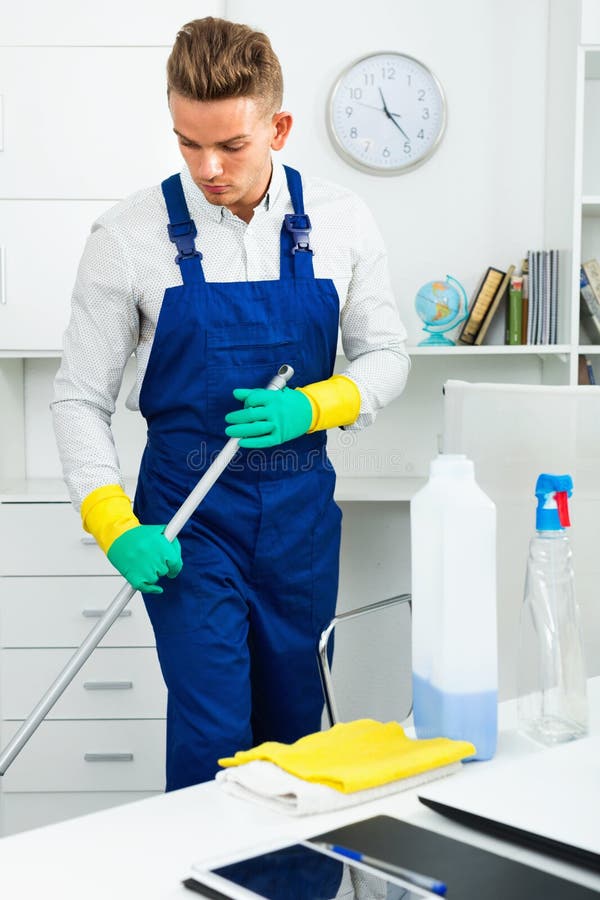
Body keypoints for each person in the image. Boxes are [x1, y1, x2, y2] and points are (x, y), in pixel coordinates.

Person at [51, 16, 410, 792]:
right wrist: (114, 522)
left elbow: (389, 354)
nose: (207, 166)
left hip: (300, 523)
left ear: (277, 126)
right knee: (215, 734)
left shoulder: (343, 220)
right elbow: (78, 398)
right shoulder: (127, 235)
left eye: (231, 145)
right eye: (187, 142)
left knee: (295, 736)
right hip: (187, 522)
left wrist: (316, 405)